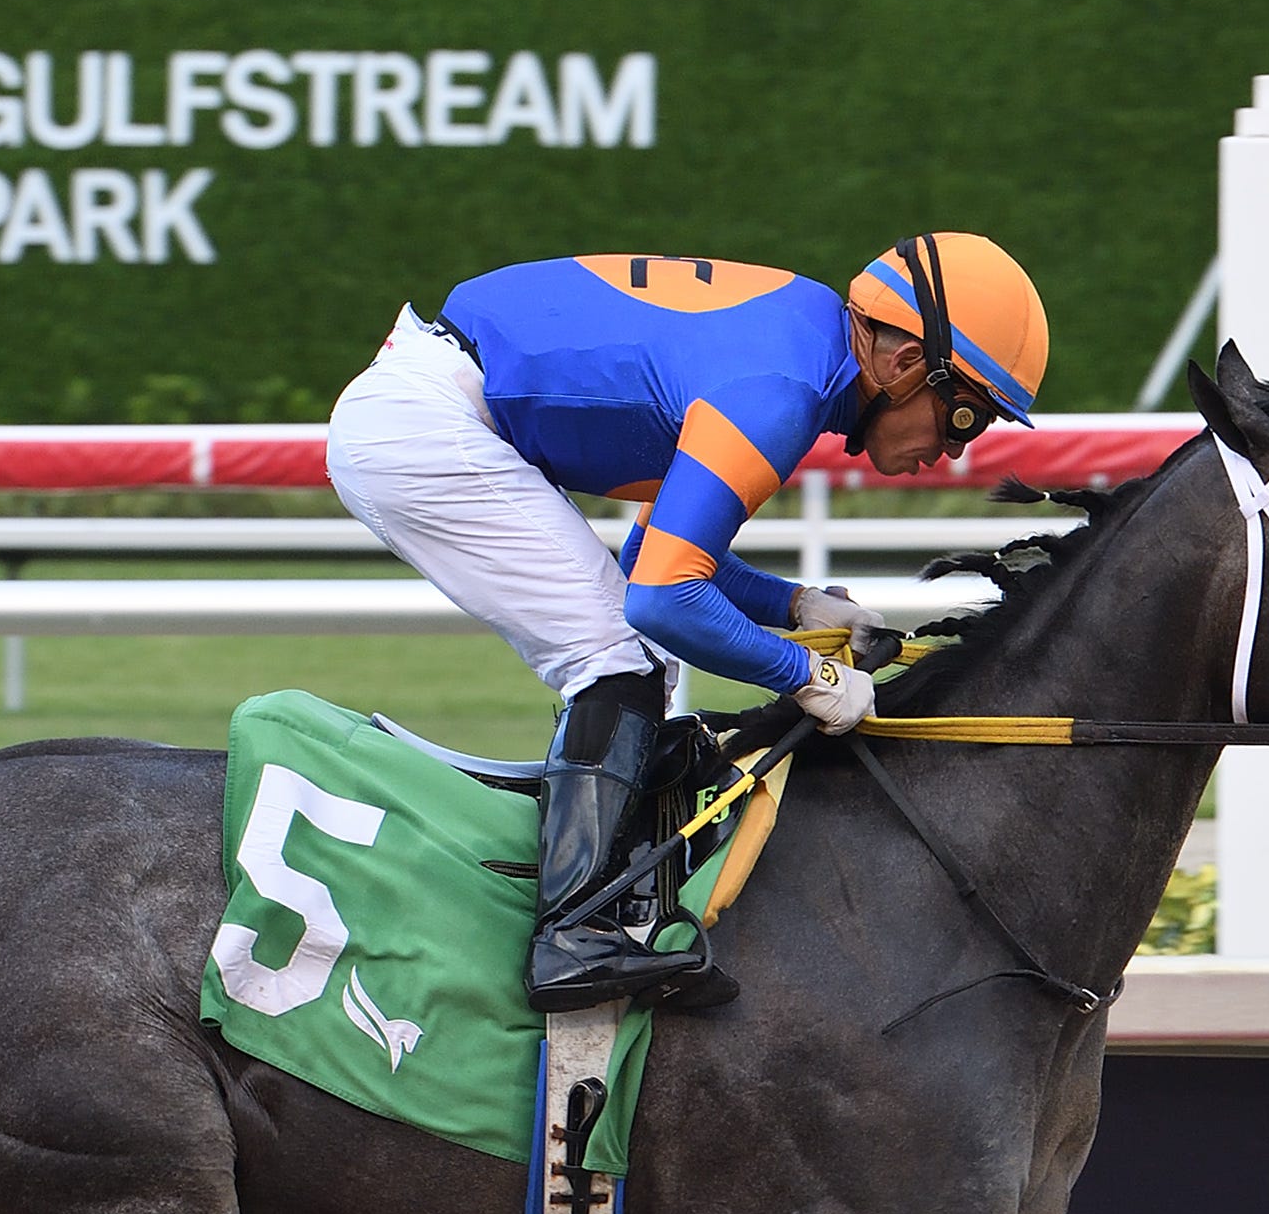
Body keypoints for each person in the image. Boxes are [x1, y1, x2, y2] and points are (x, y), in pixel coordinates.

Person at [326, 233, 1050, 1011]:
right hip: (427, 425)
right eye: (964, 417)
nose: (951, 451)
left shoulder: (801, 345)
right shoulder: (779, 390)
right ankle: (571, 938)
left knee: (640, 662)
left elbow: (651, 554)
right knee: (618, 661)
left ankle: (626, 899)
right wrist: (807, 674)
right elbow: (663, 597)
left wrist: (800, 608)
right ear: (906, 362)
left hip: (433, 400)